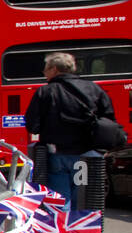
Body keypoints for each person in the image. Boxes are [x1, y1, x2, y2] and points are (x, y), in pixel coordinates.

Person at [24, 51, 117, 210]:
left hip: (56, 156)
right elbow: (108, 119)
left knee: (59, 202)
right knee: (82, 201)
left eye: (46, 69)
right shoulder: (93, 89)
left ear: (54, 69)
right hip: (85, 156)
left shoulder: (45, 92)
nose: (44, 73)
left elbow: (32, 125)